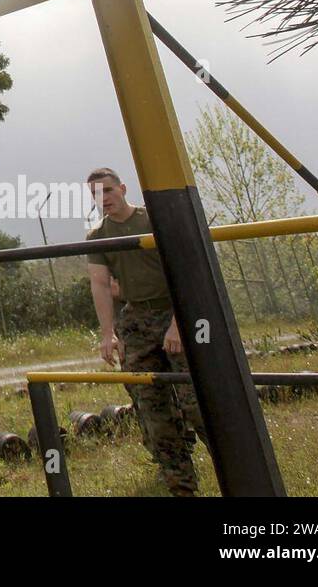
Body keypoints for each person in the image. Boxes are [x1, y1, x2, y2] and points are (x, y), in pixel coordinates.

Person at [85, 166, 210, 496]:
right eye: (96, 195)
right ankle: (182, 487)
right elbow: (99, 283)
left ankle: (238, 472)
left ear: (123, 188)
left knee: (197, 405)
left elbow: (184, 272)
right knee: (152, 412)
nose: (103, 199)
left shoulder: (153, 221)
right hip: (137, 319)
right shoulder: (97, 236)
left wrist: (177, 325)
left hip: (175, 312)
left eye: (108, 190)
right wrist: (108, 333)